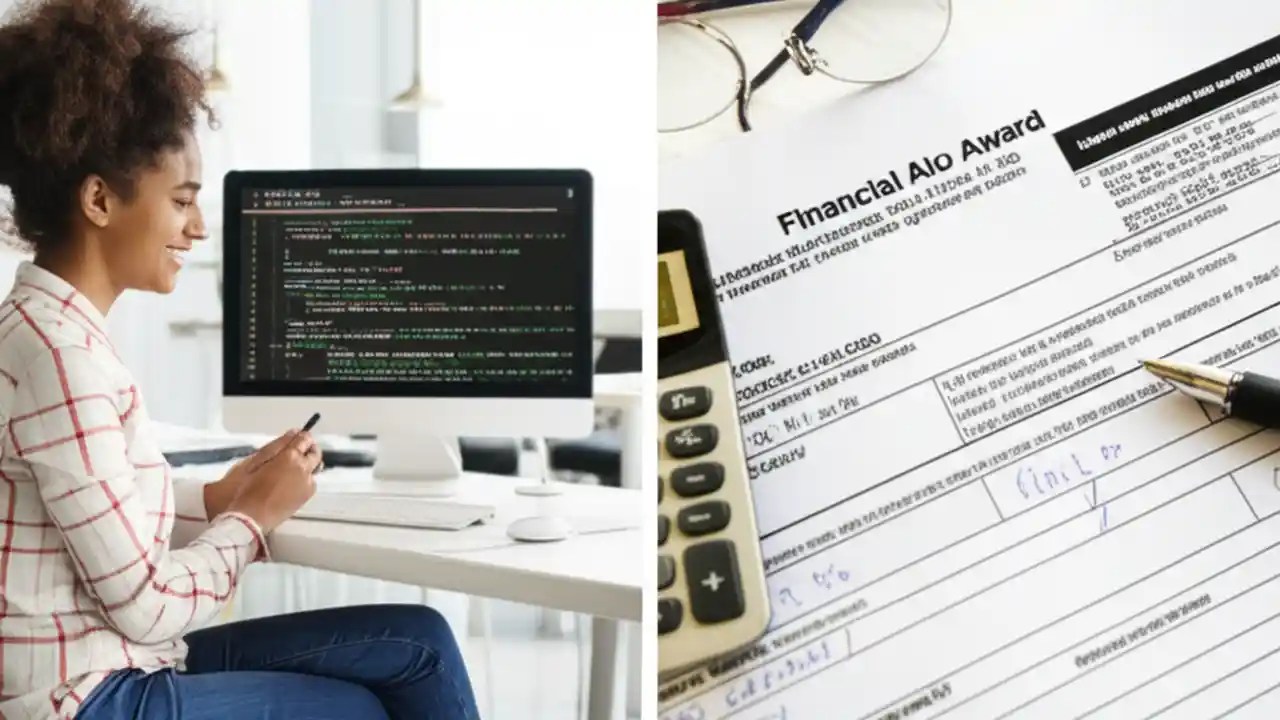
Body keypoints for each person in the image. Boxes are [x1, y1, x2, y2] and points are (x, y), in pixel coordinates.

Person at [0, 0, 481, 718]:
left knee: (420, 643)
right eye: (182, 202)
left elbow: (98, 514)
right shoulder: (58, 358)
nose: (196, 228)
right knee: (364, 709)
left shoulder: (45, 330)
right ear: (99, 199)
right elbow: (144, 606)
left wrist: (218, 499)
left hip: (117, 659)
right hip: (89, 694)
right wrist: (251, 522)